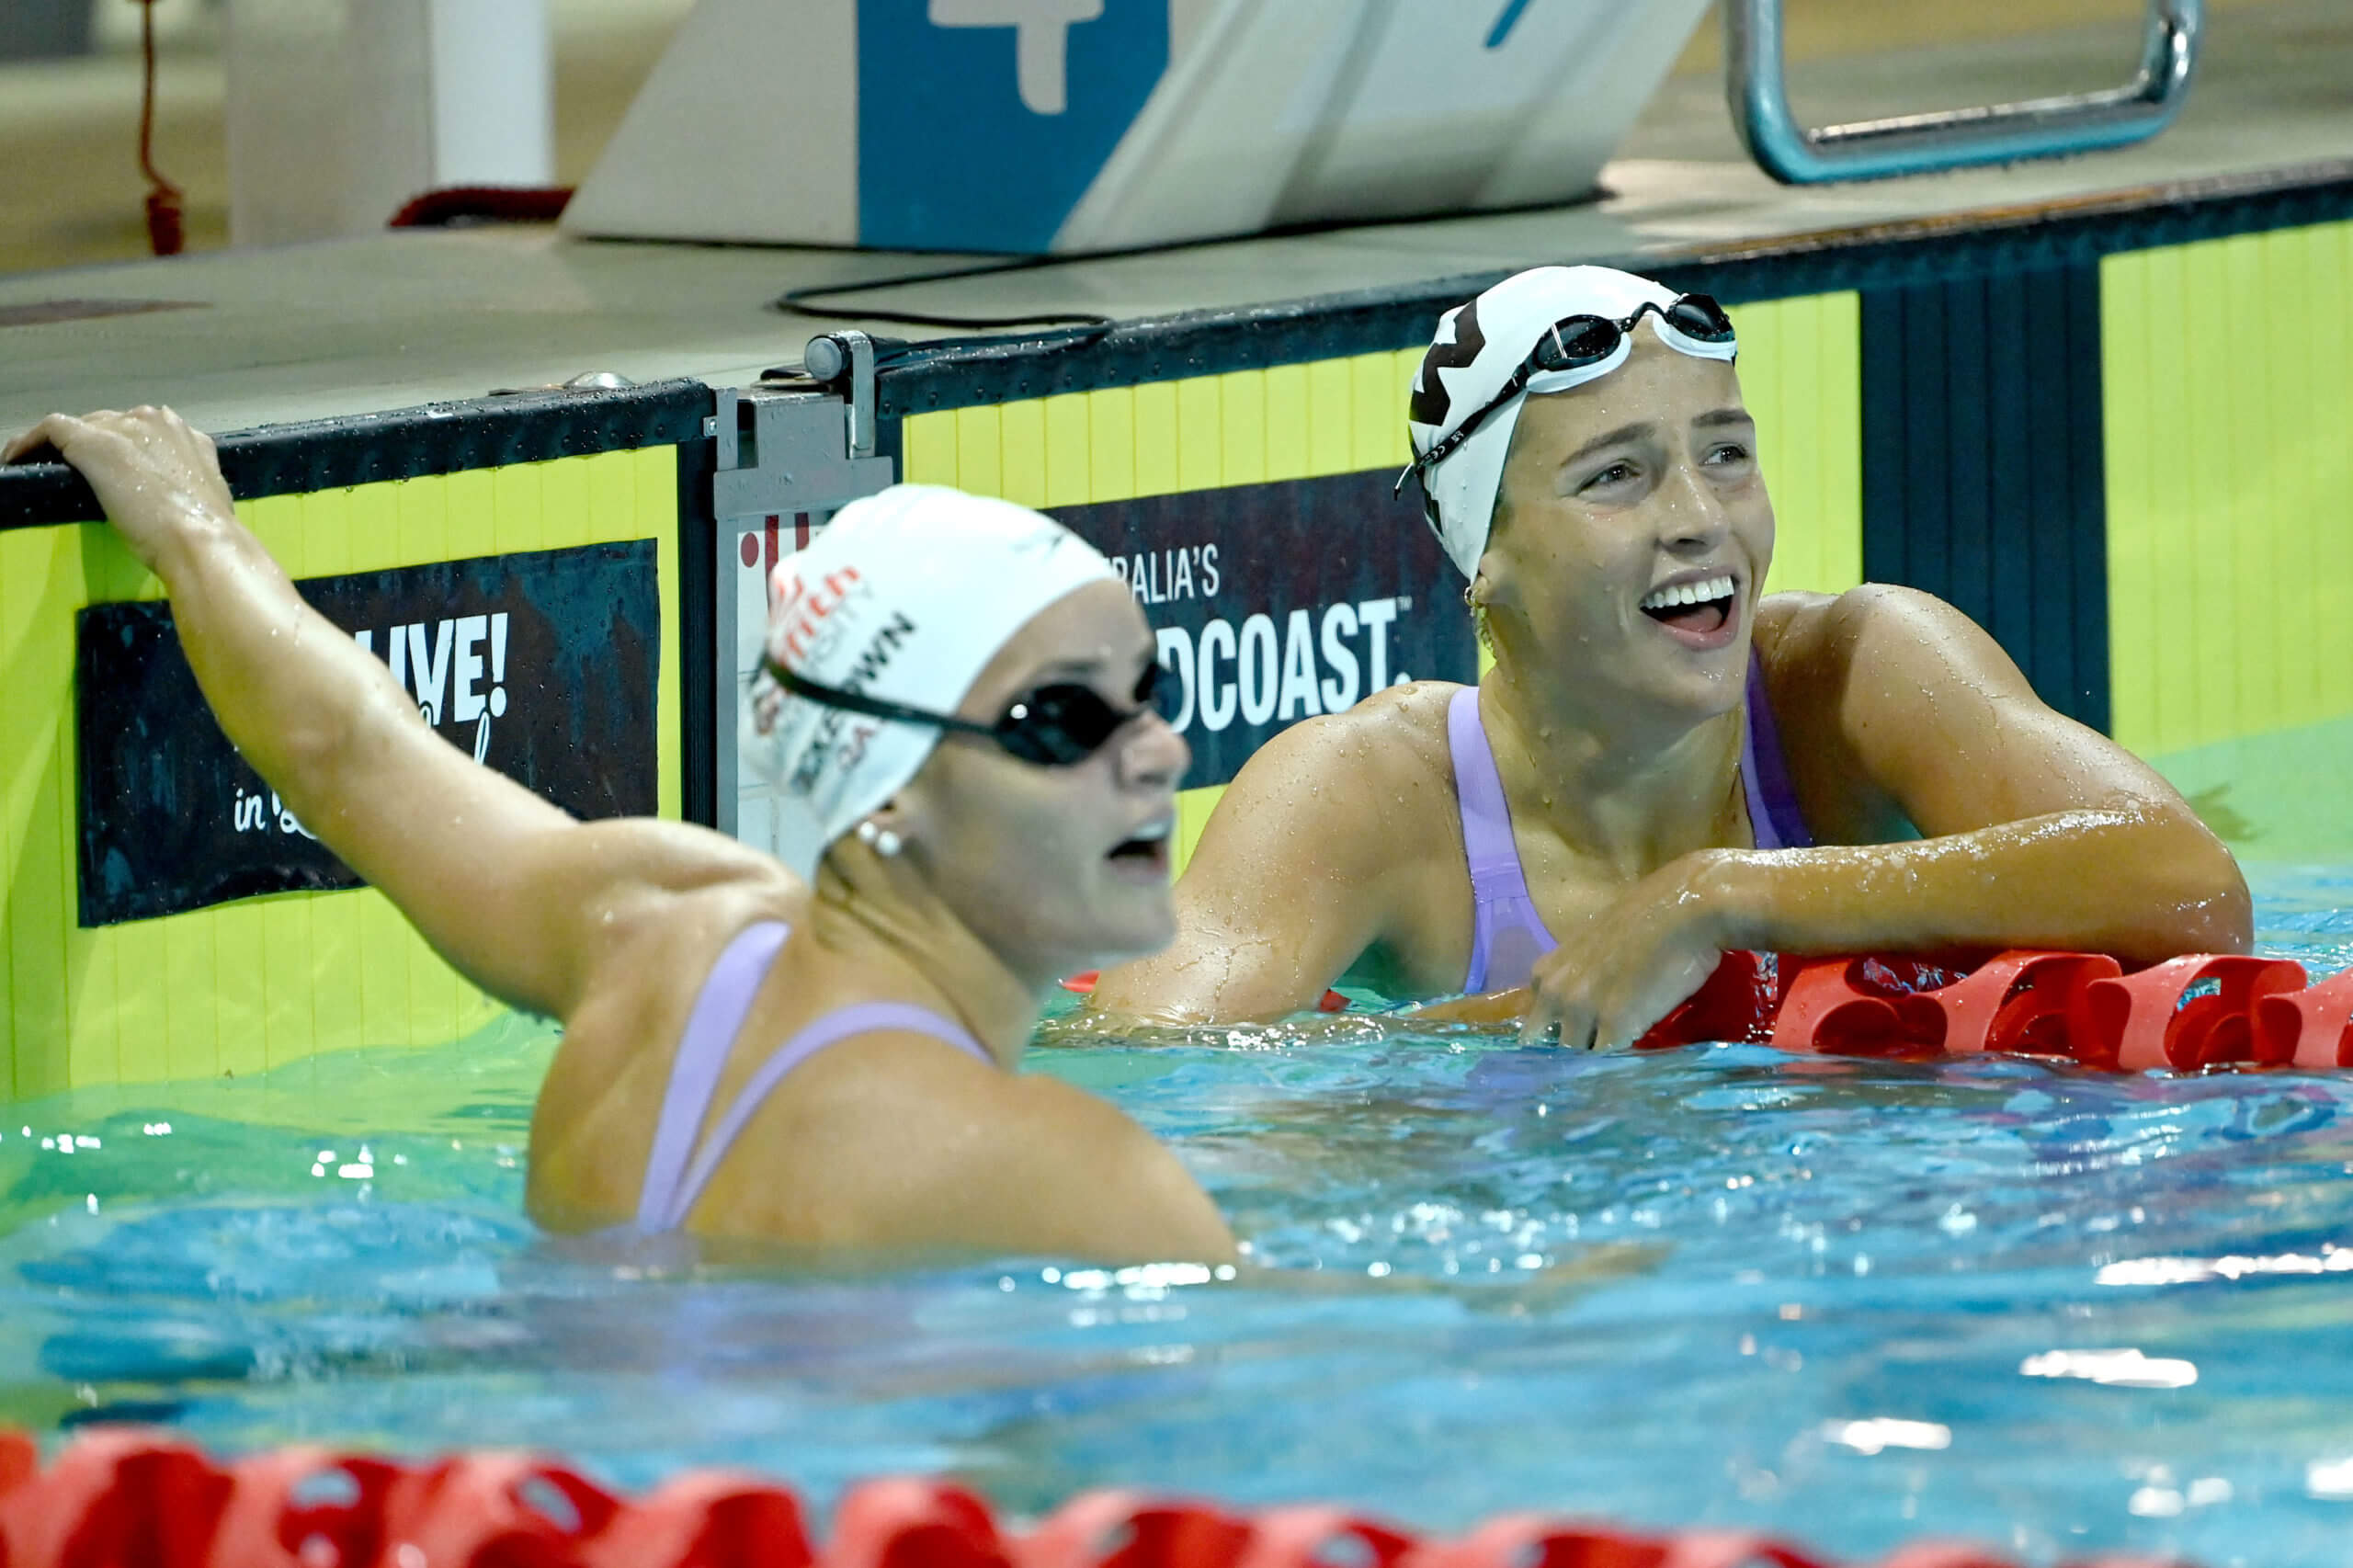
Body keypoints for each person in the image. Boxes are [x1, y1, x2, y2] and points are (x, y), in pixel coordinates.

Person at [8, 407, 1234, 1264]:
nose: (1158, 752)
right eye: (1064, 717)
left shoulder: (660, 933)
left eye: (1151, 693)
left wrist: (188, 524)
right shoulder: (1074, 1174)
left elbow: (352, 752)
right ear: (882, 784)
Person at [1091, 265, 2249, 1043]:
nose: (1699, 516)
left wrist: (1719, 897)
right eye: (1616, 474)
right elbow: (1156, 1062)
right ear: (1483, 553)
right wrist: (1501, 1027)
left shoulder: (1854, 672)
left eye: (1727, 453)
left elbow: (2189, 887)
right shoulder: (1376, 792)